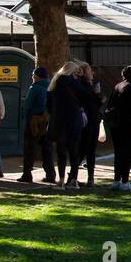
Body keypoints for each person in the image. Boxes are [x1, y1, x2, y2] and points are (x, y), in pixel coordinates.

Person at [48, 61, 85, 190]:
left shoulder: (55, 83)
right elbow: (85, 97)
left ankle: (61, 181)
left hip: (59, 121)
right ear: (74, 72)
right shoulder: (76, 84)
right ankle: (74, 180)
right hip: (74, 121)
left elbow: (49, 104)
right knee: (74, 152)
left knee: (61, 153)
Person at [105, 65, 131, 191]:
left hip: (115, 125)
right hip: (126, 125)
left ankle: (116, 180)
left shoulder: (118, 86)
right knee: (126, 154)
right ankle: (125, 181)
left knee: (118, 153)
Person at [20, 66, 53, 184]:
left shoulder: (34, 88)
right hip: (47, 120)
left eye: (33, 76)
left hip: (34, 120)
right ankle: (51, 174)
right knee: (47, 148)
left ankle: (27, 175)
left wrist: (26, 117)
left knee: (29, 148)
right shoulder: (51, 87)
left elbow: (28, 105)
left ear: (36, 76)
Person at [75, 63, 104, 188]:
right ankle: (73, 176)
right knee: (84, 149)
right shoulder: (82, 86)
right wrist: (96, 95)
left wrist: (98, 97)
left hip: (94, 120)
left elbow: (95, 104)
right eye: (90, 71)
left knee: (91, 150)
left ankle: (90, 178)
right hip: (87, 122)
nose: (92, 73)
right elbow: (88, 102)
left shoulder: (88, 85)